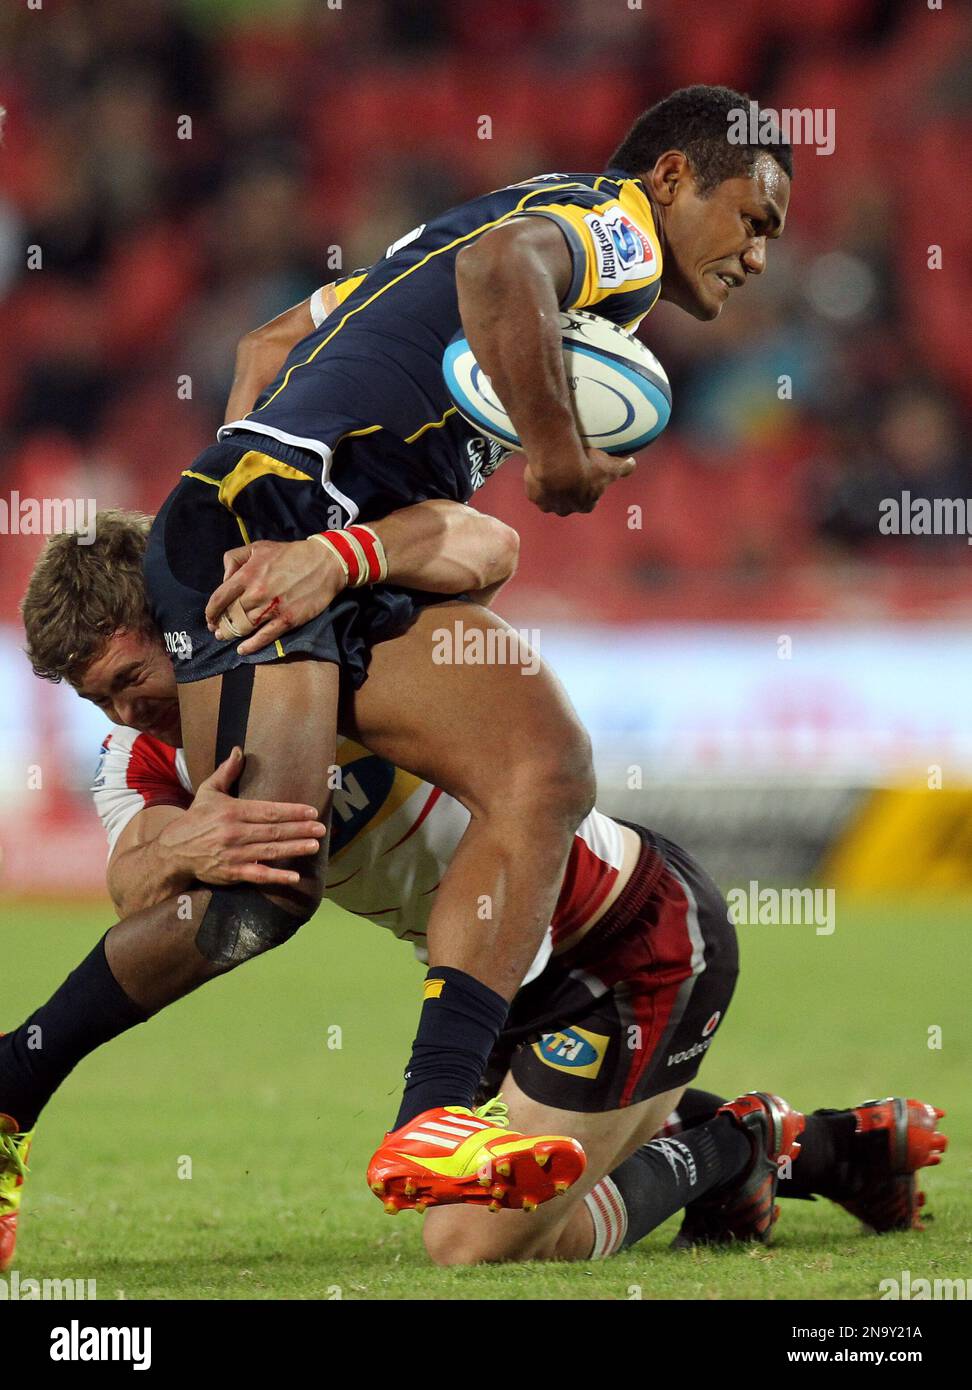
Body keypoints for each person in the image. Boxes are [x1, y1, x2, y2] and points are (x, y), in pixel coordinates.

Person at [6, 84, 796, 1224]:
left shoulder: (460, 227)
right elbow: (501, 277)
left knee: (367, 843)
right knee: (284, 870)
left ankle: (431, 1116)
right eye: (753, 218)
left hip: (307, 534)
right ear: (672, 179)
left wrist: (256, 473)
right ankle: (17, 1080)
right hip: (284, 528)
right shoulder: (608, 232)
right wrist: (559, 452)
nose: (759, 255)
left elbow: (271, 338)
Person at [2, 515, 946, 1269]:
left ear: (178, 623)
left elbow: (489, 545)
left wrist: (347, 551)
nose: (126, 712)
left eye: (131, 678)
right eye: (98, 700)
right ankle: (819, 1147)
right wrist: (188, 840)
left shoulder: (311, 642)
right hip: (498, 988)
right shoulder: (139, 754)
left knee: (470, 1240)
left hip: (625, 941)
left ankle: (740, 1146)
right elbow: (133, 881)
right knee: (551, 1153)